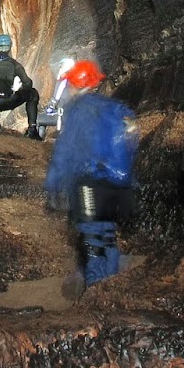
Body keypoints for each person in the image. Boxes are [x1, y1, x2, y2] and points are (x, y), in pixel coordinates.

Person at [42, 60, 139, 286]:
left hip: (89, 183)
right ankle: (112, 284)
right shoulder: (116, 108)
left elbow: (65, 150)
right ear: (95, 84)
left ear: (74, 85)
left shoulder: (76, 111)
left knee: (92, 239)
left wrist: (53, 184)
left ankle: (95, 291)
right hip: (118, 184)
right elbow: (130, 140)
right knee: (108, 235)